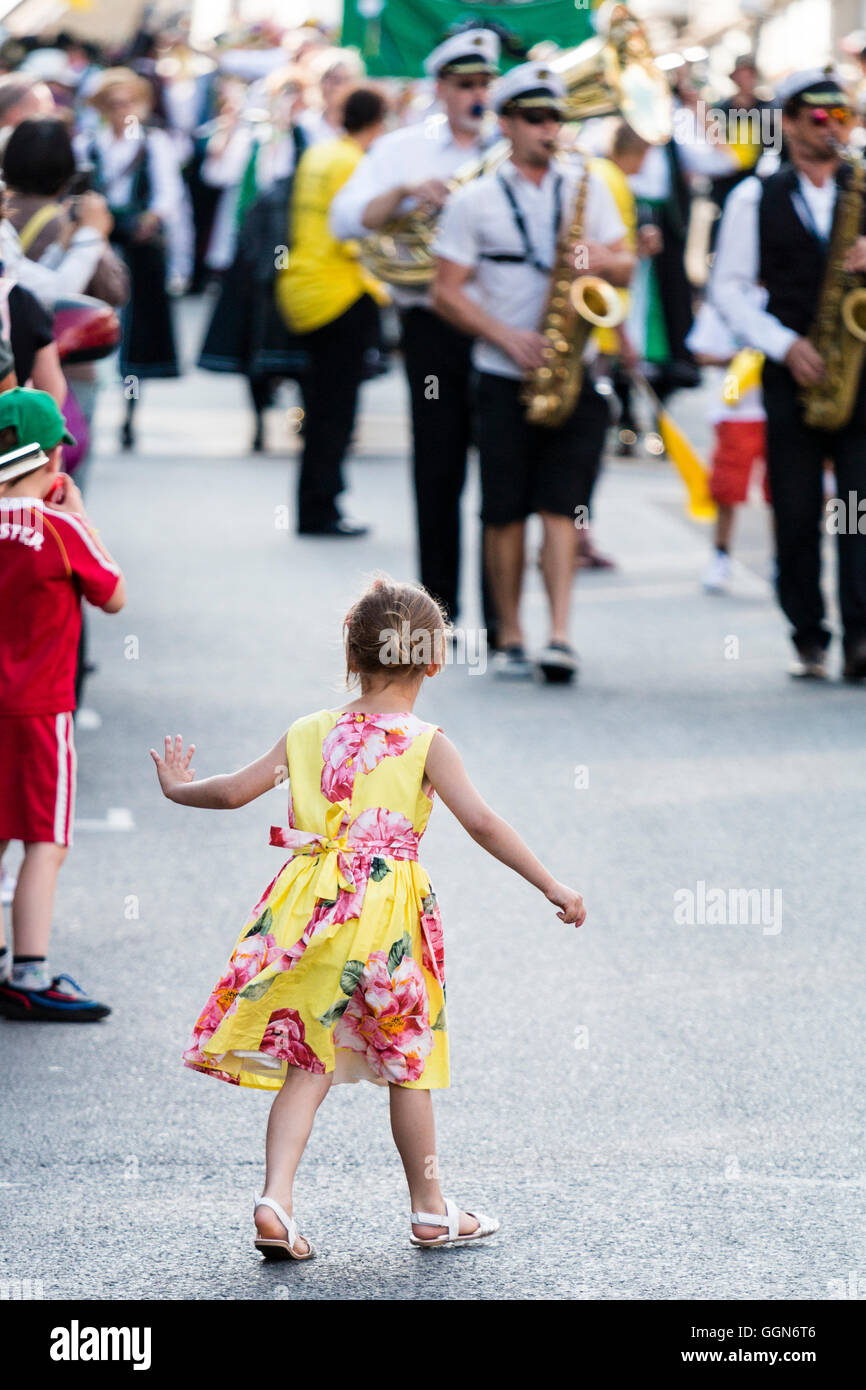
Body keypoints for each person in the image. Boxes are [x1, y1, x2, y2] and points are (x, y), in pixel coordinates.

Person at [149, 575, 585, 1256]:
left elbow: (234, 792)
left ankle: (276, 1199)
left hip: (311, 911)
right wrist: (551, 884)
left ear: (351, 657)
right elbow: (483, 823)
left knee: (307, 1056)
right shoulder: (425, 741)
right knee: (409, 1064)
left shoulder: (309, 731)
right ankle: (430, 1208)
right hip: (387, 924)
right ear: (434, 661)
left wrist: (179, 788)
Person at [432, 62, 633, 683]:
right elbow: (446, 291)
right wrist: (507, 338)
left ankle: (561, 634)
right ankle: (512, 633)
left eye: (556, 118)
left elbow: (623, 266)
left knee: (564, 506)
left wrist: (602, 258)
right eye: (536, 118)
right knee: (504, 510)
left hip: (576, 366)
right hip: (502, 370)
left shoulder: (587, 184)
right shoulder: (475, 197)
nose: (550, 129)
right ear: (508, 124)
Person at [330, 28, 501, 622]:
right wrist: (405, 195)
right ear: (441, 88)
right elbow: (345, 220)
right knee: (438, 463)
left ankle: (504, 623)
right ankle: (442, 612)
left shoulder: (513, 139)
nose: (477, 95)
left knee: (505, 471)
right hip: (431, 320)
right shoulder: (404, 149)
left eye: (484, 83)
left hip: (503, 322)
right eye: (465, 85)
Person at [710, 67, 866, 680]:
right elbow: (729, 289)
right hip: (793, 369)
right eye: (819, 118)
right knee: (796, 511)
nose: (833, 128)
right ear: (791, 123)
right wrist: (782, 345)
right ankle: (809, 632)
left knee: (859, 507)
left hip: (860, 372)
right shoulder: (756, 195)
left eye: (842, 117)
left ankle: (861, 638)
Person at [0, 388, 125, 1022]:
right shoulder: (60, 528)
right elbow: (114, 594)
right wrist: (80, 513)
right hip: (42, 710)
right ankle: (30, 970)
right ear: (50, 457)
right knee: (45, 840)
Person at [276, 85, 389, 536]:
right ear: (378, 122)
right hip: (340, 293)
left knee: (320, 407)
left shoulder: (320, 154)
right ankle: (322, 507)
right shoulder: (354, 162)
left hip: (305, 288)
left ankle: (318, 502)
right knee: (335, 412)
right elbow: (359, 232)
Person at [80, 67, 190, 450]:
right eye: (113, 103)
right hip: (100, 241)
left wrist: (151, 219)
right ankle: (85, 407)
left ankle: (129, 412)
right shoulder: (89, 144)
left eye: (127, 102)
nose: (121, 110)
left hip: (138, 246)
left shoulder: (152, 143)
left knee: (137, 334)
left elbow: (169, 194)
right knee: (89, 323)